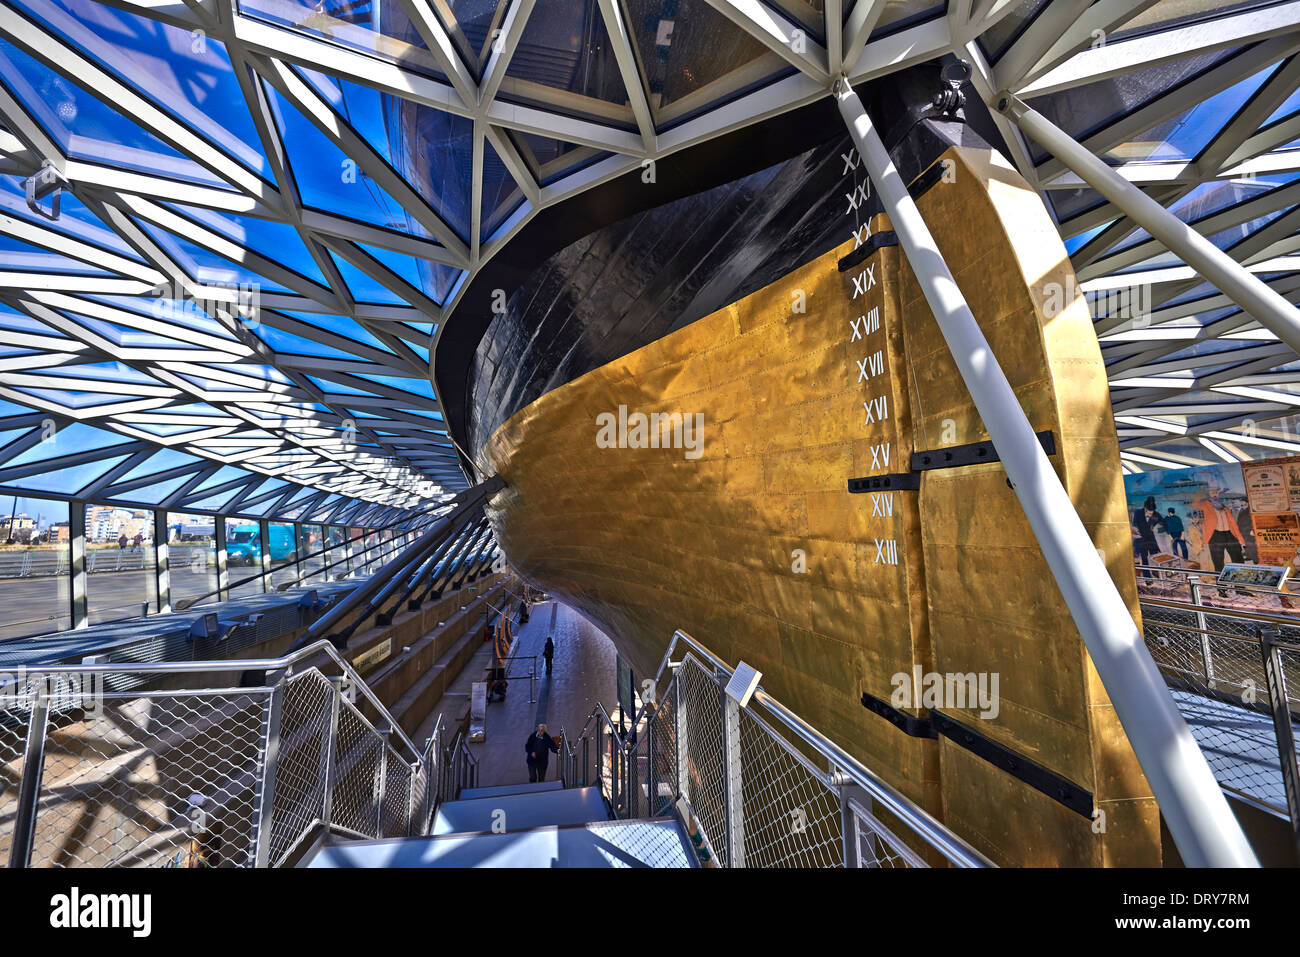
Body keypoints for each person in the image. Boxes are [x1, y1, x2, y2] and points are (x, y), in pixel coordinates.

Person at [1131, 496, 1160, 578]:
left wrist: (1154, 526)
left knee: (1155, 557)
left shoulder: (1155, 514)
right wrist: (1137, 536)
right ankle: (1147, 578)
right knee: (1144, 559)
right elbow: (1134, 526)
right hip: (1142, 541)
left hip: (1151, 540)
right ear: (1145, 509)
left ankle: (1156, 573)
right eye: (1149, 513)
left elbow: (1159, 521)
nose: (1150, 515)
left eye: (1152, 513)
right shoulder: (1138, 512)